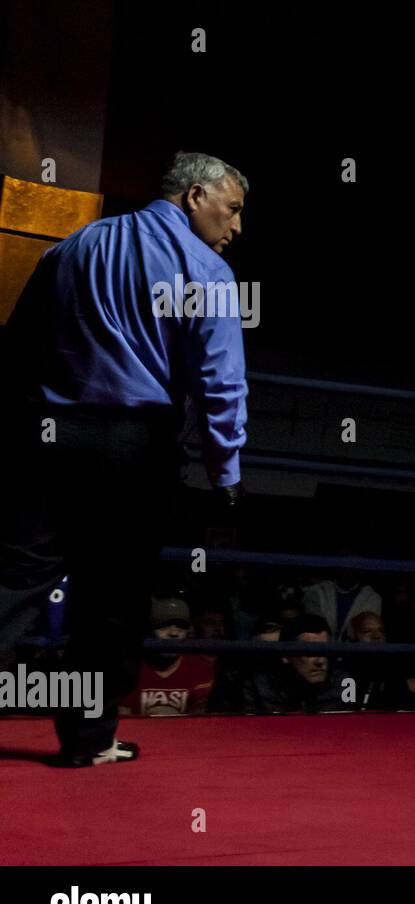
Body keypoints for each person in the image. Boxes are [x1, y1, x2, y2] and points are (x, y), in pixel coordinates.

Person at [0, 151, 249, 766]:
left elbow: (18, 345)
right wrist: (227, 472)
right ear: (195, 196)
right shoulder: (207, 272)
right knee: (108, 601)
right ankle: (87, 741)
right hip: (134, 445)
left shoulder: (75, 244)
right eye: (233, 208)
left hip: (50, 434)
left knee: (14, 582)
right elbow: (221, 383)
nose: (237, 226)